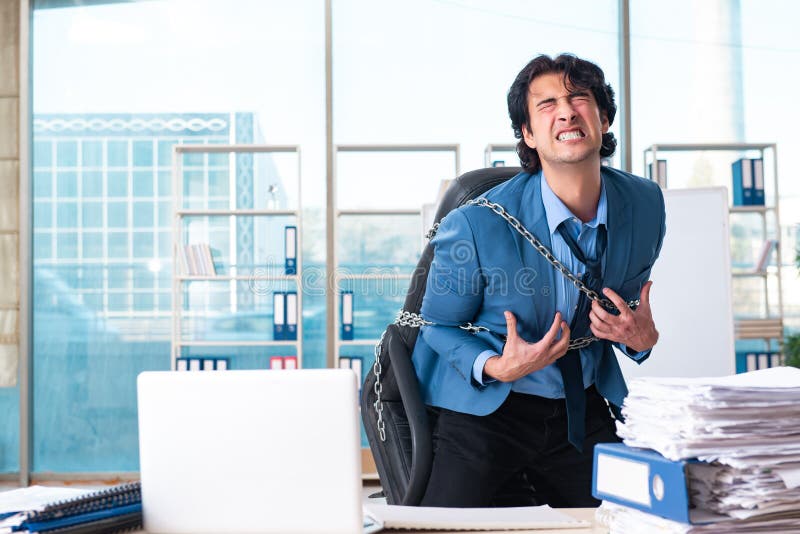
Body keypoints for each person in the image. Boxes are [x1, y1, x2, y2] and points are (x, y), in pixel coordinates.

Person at [410, 53, 666, 507]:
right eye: (546, 104)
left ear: (603, 118)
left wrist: (640, 339)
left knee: (636, 516)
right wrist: (496, 366)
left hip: (580, 405)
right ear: (528, 134)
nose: (566, 111)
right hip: (487, 411)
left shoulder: (644, 204)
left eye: (578, 98)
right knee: (441, 527)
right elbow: (437, 327)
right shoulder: (477, 224)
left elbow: (622, 311)